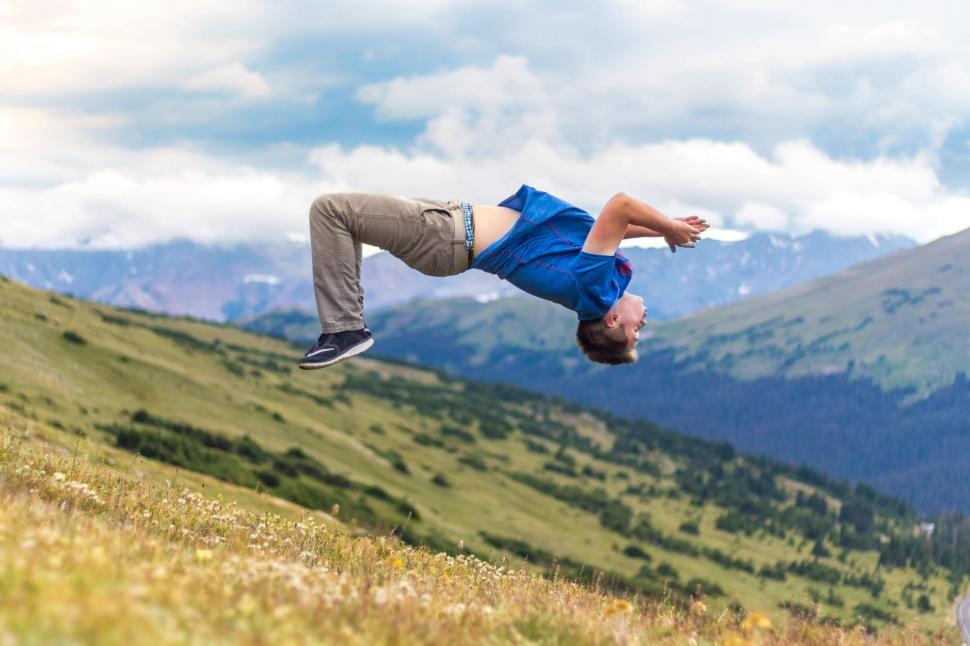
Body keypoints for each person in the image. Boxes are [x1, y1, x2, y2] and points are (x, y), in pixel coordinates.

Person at [299, 184, 707, 369]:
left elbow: (620, 205)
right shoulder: (595, 282)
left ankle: (345, 329)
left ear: (613, 320)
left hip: (447, 236)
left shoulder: (593, 289)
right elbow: (608, 226)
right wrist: (664, 227)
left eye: (637, 334)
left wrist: (666, 227)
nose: (644, 326)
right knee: (343, 219)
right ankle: (345, 326)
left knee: (331, 211)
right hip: (449, 229)